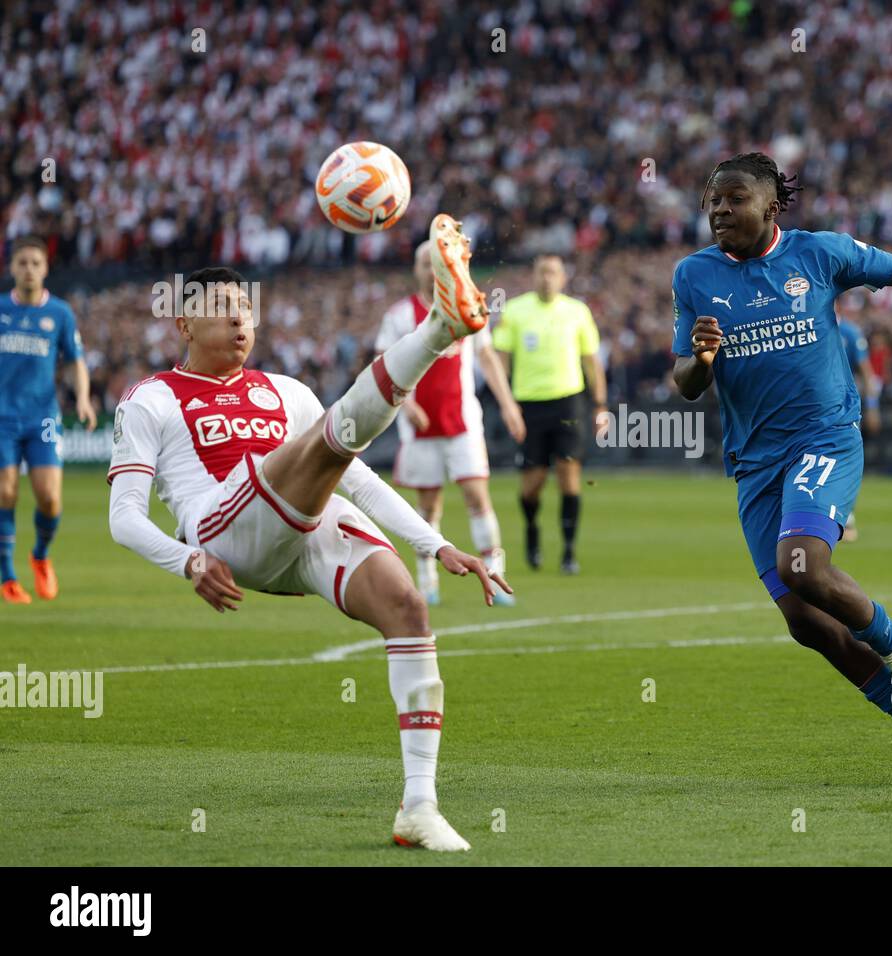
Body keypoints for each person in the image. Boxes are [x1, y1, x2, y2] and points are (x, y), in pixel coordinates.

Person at [107, 215, 509, 850]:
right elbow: (123, 517)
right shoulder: (151, 398)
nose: (239, 320)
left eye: (245, 308)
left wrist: (436, 544)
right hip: (223, 531)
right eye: (220, 310)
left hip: (304, 523)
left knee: (407, 607)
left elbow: (359, 479)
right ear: (183, 325)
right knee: (320, 444)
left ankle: (420, 806)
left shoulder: (285, 389)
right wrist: (186, 562)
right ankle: (439, 329)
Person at [672, 152, 892, 788]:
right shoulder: (692, 275)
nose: (720, 210)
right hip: (754, 462)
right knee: (807, 622)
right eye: (712, 200)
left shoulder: (819, 253)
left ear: (772, 205)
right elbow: (688, 383)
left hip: (824, 435)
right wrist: (699, 358)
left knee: (800, 562)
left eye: (735, 199)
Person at [375, 240, 525, 606]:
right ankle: (427, 580)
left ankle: (494, 571)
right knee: (429, 507)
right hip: (420, 428)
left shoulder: (468, 307)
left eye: (437, 263)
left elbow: (487, 357)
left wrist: (508, 405)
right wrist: (405, 404)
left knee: (477, 496)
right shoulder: (399, 315)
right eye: (425, 263)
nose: (431, 270)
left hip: (463, 422)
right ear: (416, 270)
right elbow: (384, 362)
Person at [493, 254, 606, 574]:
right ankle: (532, 529)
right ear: (533, 275)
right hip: (528, 404)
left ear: (563, 277)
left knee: (569, 475)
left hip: (568, 401)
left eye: (553, 272)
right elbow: (501, 357)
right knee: (532, 483)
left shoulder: (577, 311)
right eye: (542, 272)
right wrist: (506, 402)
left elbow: (591, 361)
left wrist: (599, 403)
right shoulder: (515, 311)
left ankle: (569, 550)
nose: (547, 278)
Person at [0, 236, 97, 604]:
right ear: (12, 268)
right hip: (2, 416)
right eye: (22, 262)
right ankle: (8, 575)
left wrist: (84, 399)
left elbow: (74, 361)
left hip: (41, 417)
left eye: (35, 263)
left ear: (45, 268)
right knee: (5, 491)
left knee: (50, 498)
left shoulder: (59, 313)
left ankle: (40, 555)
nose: (29, 269)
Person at [835, 312, 881, 542]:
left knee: (845, 462)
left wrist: (872, 407)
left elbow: (868, 375)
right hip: (811, 409)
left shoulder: (850, 333)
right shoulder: (805, 324)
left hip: (845, 408)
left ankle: (846, 514)